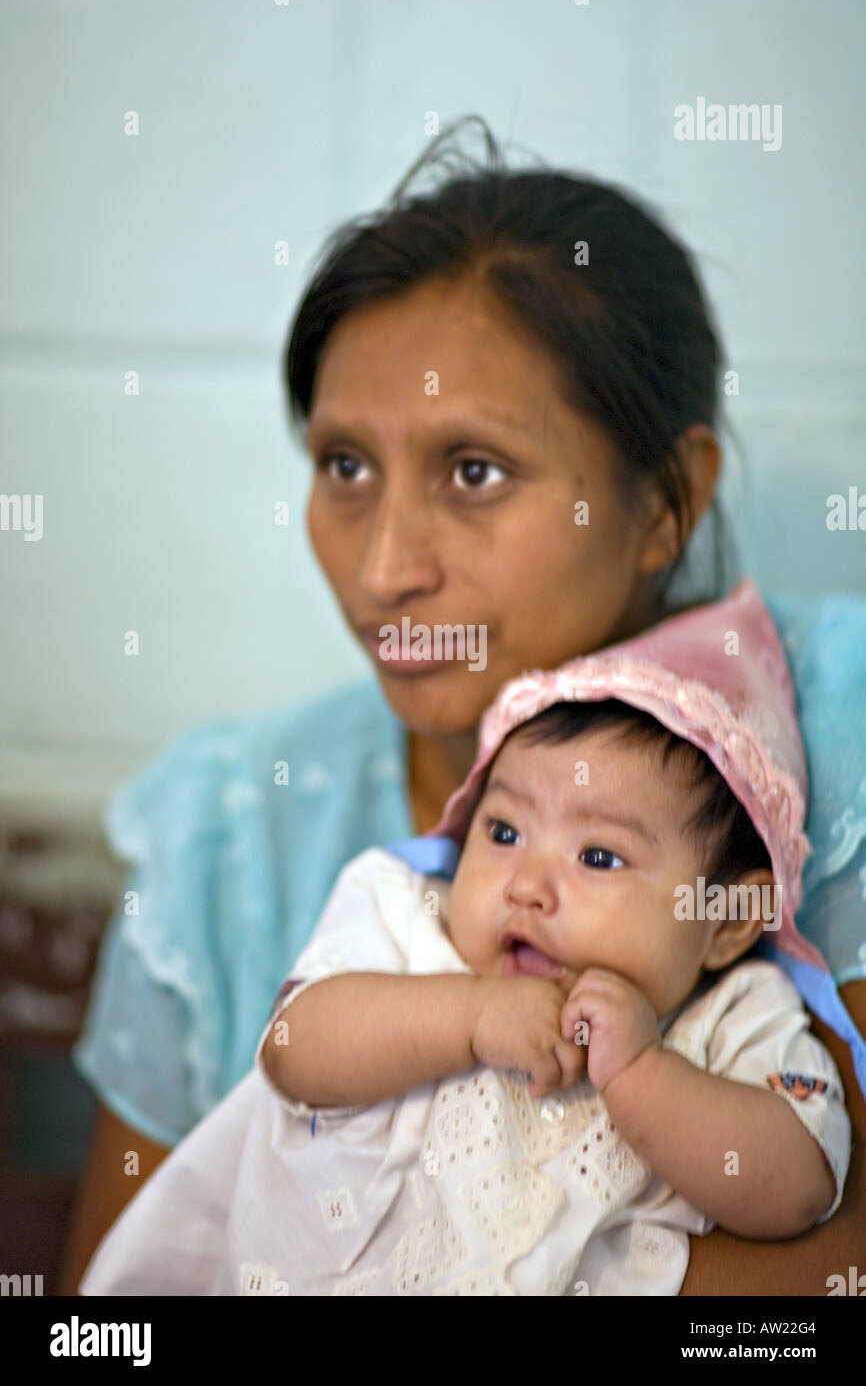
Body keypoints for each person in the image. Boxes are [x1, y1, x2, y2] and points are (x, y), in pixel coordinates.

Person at [59, 116, 866, 1295]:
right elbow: (117, 1305)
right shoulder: (230, 833)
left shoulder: (827, 739)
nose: (384, 565)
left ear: (665, 500)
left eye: (473, 470)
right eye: (344, 467)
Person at [76, 581, 852, 1296]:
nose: (526, 884)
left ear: (724, 917)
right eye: (505, 830)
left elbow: (799, 1188)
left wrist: (643, 1072)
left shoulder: (743, 1017)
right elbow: (291, 1045)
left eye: (598, 857)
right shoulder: (409, 920)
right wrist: (469, 1016)